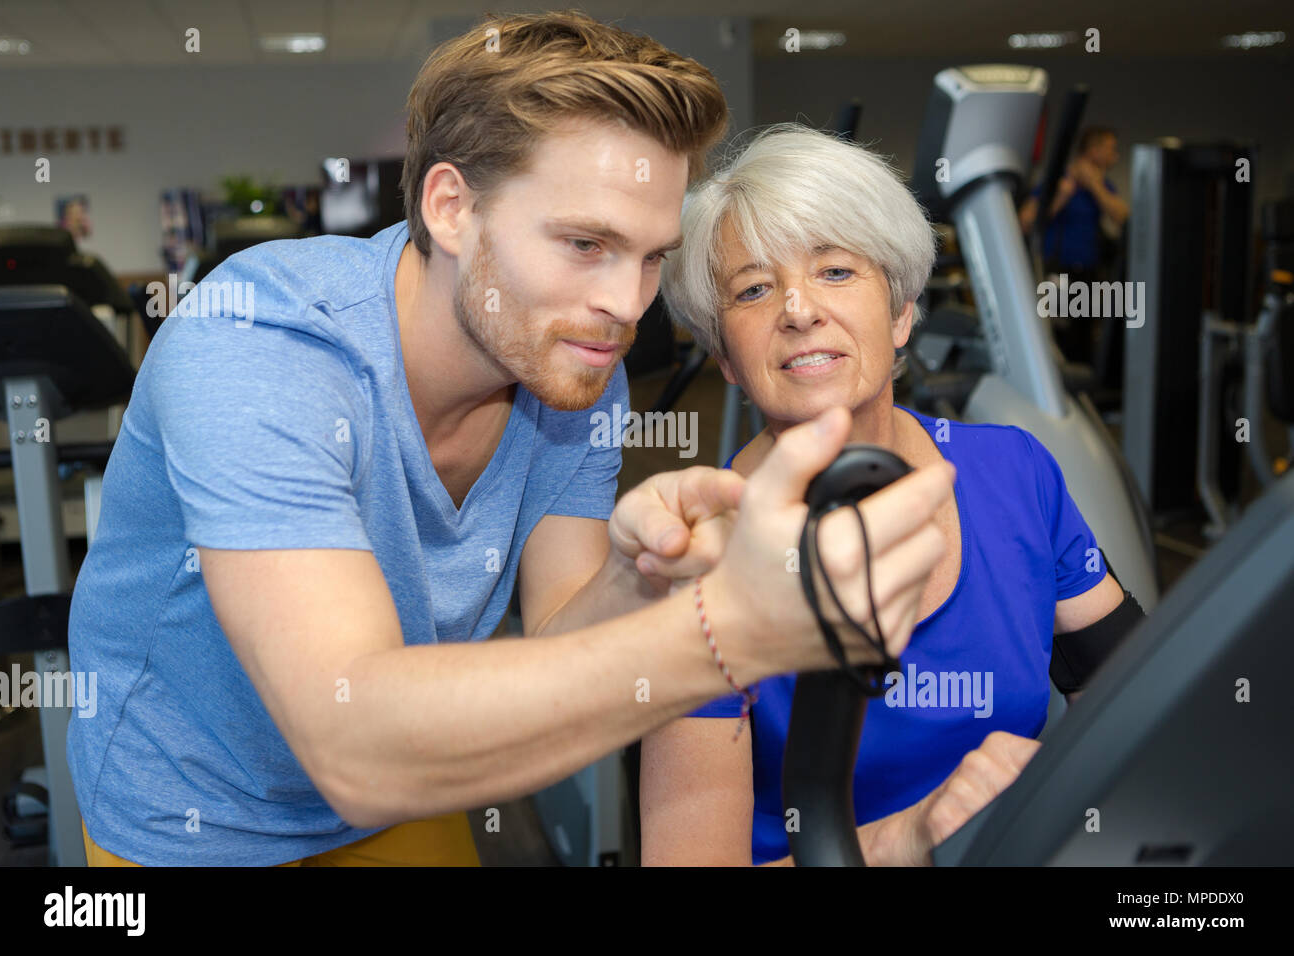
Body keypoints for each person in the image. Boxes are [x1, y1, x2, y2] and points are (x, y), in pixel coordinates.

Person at [67, 12, 953, 866]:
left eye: (651, 256)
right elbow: (349, 740)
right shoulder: (263, 343)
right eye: (584, 243)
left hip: (405, 776)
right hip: (194, 809)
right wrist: (727, 634)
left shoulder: (573, 365)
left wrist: (639, 577)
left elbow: (563, 634)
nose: (626, 304)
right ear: (451, 207)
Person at [642, 124, 1143, 866]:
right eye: (753, 288)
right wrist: (910, 839)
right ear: (726, 359)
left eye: (836, 272)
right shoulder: (698, 548)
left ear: (902, 311)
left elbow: (1134, 694)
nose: (798, 309)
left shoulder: (1015, 472)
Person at [1018, 126, 1130, 363]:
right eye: (1110, 150)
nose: (1115, 157)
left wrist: (1095, 186)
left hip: (1088, 275)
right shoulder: (1057, 181)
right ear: (1093, 150)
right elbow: (1026, 221)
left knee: (1084, 340)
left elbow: (1124, 218)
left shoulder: (1101, 186)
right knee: (1055, 338)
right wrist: (1062, 195)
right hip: (1057, 274)